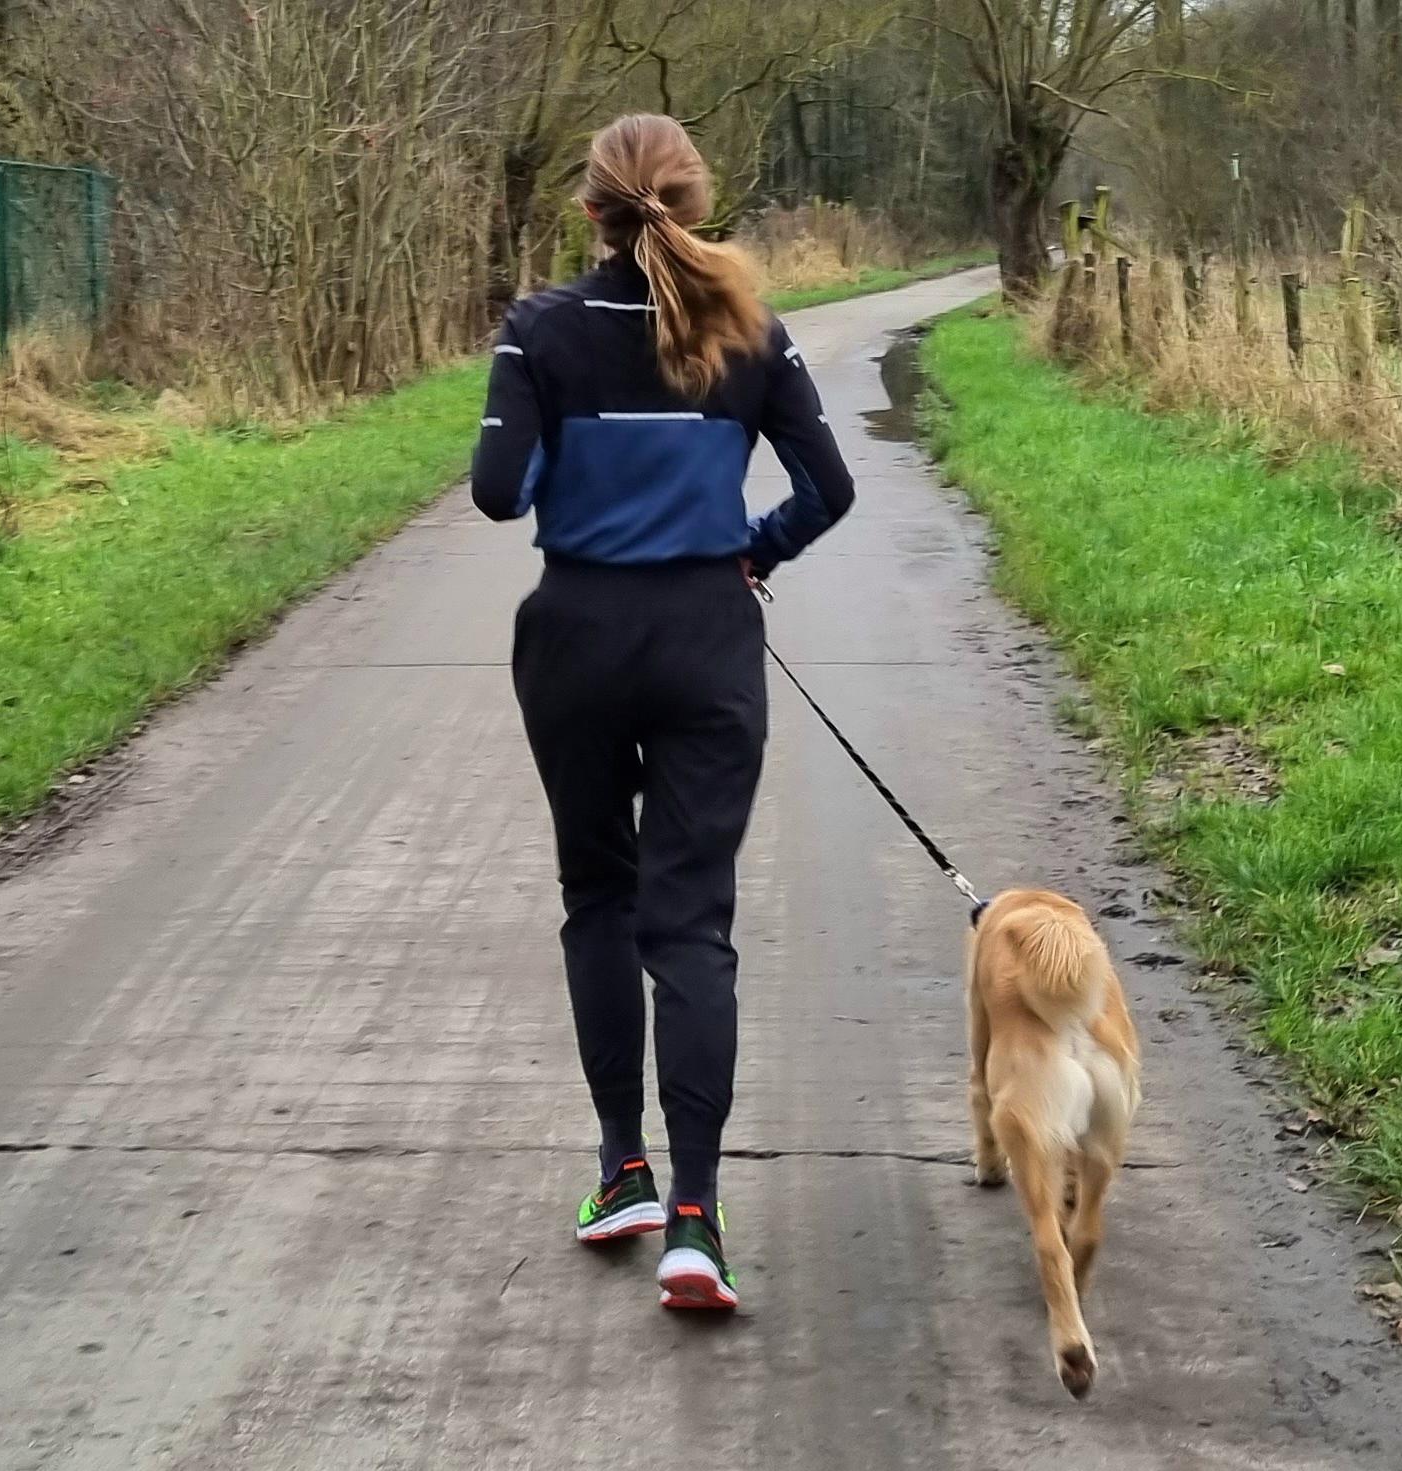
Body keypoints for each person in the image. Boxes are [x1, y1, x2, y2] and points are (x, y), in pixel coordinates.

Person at [471, 114, 856, 1311]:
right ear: (693, 203)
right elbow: (827, 489)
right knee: (690, 923)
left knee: (599, 892)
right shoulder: (752, 329)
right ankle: (697, 1216)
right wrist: (750, 551)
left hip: (577, 634)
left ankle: (620, 1168)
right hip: (705, 639)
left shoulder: (538, 330)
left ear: (588, 210)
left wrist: (560, 468)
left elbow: (497, 494)